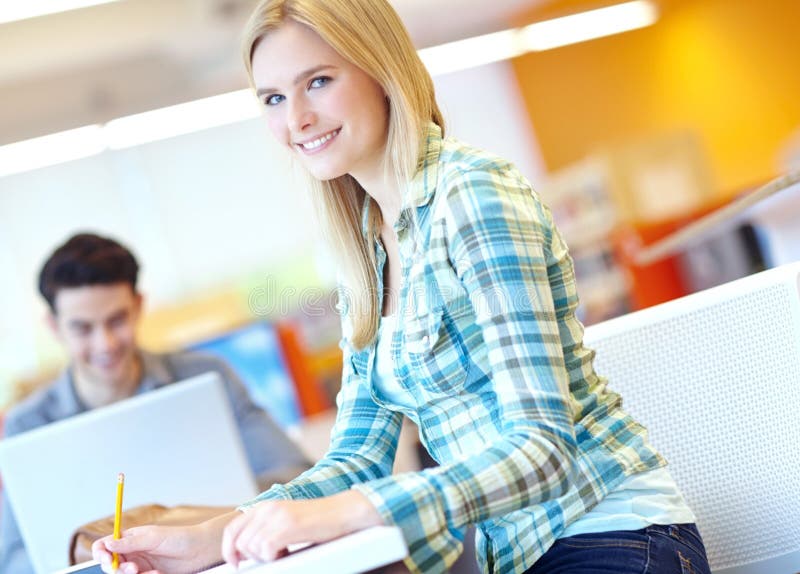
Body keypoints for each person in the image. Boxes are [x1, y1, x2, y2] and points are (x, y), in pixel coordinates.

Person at [93, 0, 712, 572]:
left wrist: (357, 511)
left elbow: (544, 449)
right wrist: (213, 538)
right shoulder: (364, 251)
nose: (297, 119)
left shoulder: (472, 195)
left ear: (380, 70)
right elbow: (356, 459)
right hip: (523, 557)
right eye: (274, 98)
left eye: (318, 81)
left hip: (614, 535)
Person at [0, 233, 310, 574]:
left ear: (138, 306)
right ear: (54, 326)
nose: (104, 343)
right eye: (82, 328)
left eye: (117, 320)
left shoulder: (206, 376)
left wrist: (204, 525)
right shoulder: (27, 425)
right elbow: (12, 561)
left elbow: (296, 474)